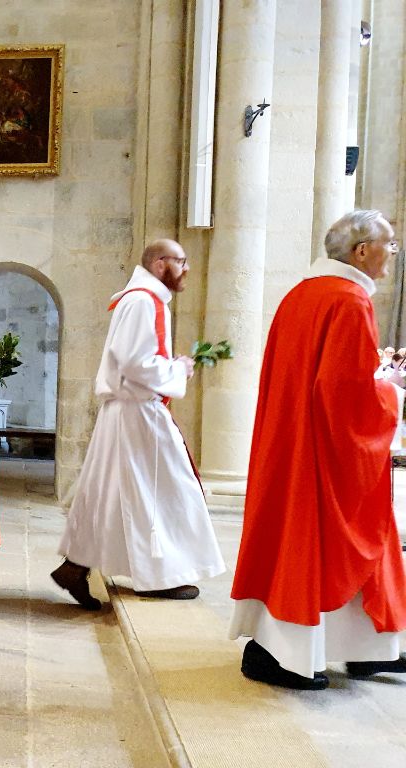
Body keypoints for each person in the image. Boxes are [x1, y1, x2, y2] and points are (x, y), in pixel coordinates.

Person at [230, 210, 406, 690]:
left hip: (293, 441)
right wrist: (391, 392)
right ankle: (277, 655)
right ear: (361, 251)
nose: (393, 252)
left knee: (330, 540)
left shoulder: (301, 294)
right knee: (325, 542)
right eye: (388, 245)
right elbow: (343, 394)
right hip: (324, 452)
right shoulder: (348, 300)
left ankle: (368, 648)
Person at [51, 239, 224, 608]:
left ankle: (75, 567)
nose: (187, 268)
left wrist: (171, 368)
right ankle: (159, 575)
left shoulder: (144, 299)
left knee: (111, 492)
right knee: (165, 488)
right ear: (161, 264)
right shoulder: (144, 300)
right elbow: (134, 362)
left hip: (130, 410)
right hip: (138, 411)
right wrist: (177, 369)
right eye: (181, 260)